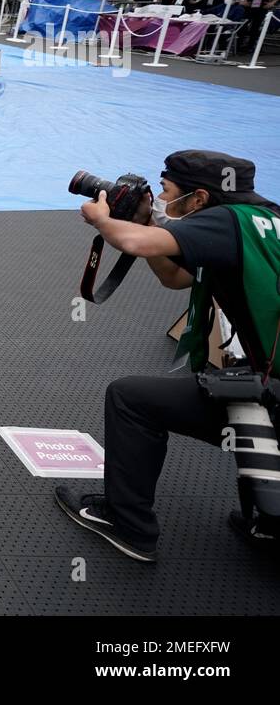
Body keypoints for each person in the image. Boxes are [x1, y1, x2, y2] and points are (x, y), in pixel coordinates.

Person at [56, 150, 280, 560]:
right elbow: (175, 278)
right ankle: (268, 525)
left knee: (131, 399)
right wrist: (143, 219)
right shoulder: (265, 220)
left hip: (273, 398)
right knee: (241, 381)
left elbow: (130, 242)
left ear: (197, 198)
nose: (159, 197)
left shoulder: (223, 221)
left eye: (165, 190)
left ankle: (130, 527)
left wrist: (106, 220)